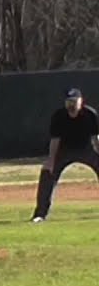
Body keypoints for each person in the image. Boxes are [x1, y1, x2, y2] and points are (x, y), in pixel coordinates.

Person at [31, 88, 99, 222]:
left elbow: (96, 138)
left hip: (86, 149)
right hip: (64, 151)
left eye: (74, 101)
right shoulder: (59, 116)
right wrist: (51, 160)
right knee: (47, 171)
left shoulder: (90, 114)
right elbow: (55, 140)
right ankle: (40, 214)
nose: (71, 104)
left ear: (81, 101)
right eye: (68, 101)